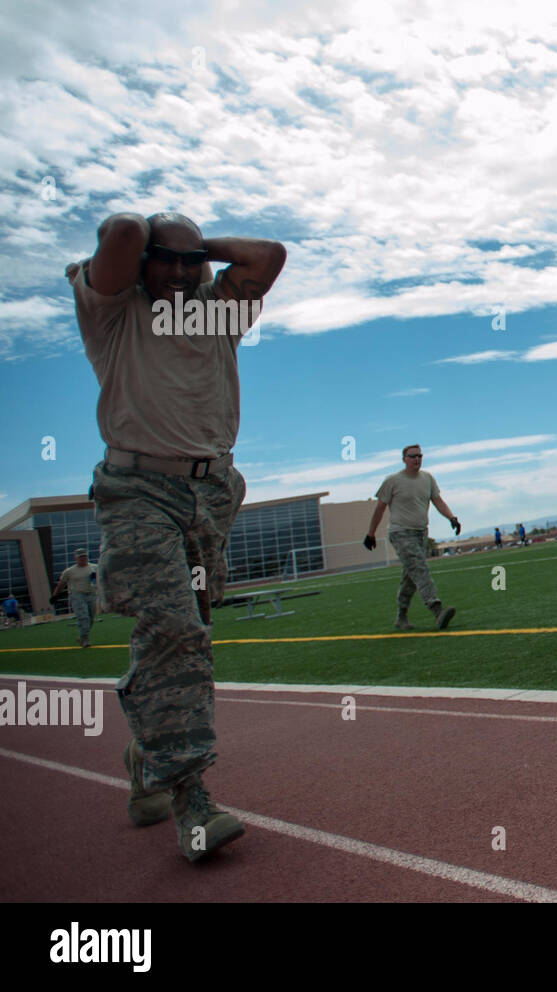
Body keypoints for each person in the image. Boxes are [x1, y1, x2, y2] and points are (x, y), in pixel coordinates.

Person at [69, 208, 285, 858]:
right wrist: (157, 247)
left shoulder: (217, 309)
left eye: (190, 263)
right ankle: (191, 801)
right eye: (162, 259)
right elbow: (126, 233)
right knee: (176, 633)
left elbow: (269, 255)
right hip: (139, 491)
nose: (176, 272)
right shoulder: (112, 309)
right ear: (140, 263)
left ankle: (148, 753)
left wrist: (194, 249)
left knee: (183, 639)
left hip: (211, 492)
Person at [365, 445, 461, 630]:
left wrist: (452, 518)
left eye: (419, 456)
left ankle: (401, 616)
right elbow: (379, 508)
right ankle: (437, 609)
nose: (417, 459)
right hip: (400, 533)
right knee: (419, 568)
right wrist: (371, 533)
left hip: (420, 533)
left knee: (410, 575)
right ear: (404, 459)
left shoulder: (428, 478)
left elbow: (438, 501)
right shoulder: (392, 481)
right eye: (412, 456)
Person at [51, 548, 98, 647]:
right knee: (83, 617)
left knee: (91, 618)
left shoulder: (95, 567)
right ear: (76, 558)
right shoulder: (69, 571)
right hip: (77, 595)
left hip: (92, 594)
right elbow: (61, 584)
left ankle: (82, 636)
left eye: (85, 557)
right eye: (81, 557)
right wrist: (55, 596)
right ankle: (85, 640)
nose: (83, 559)